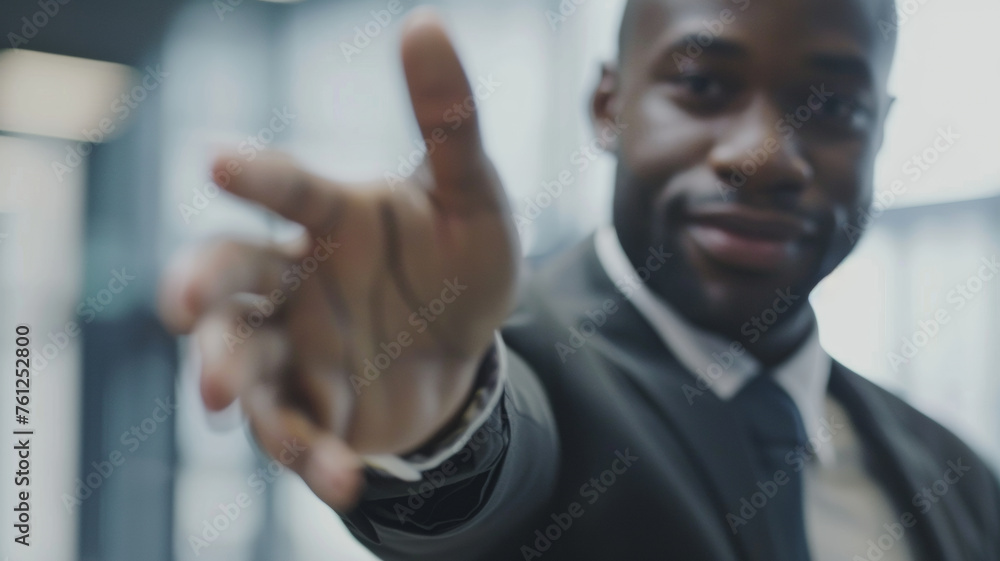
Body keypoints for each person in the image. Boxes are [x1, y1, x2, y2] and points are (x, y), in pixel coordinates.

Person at [158, 0, 1000, 559]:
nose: (766, 155)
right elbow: (499, 458)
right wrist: (433, 420)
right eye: (703, 85)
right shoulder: (512, 359)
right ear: (608, 105)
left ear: (882, 132)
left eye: (835, 108)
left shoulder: (958, 477)